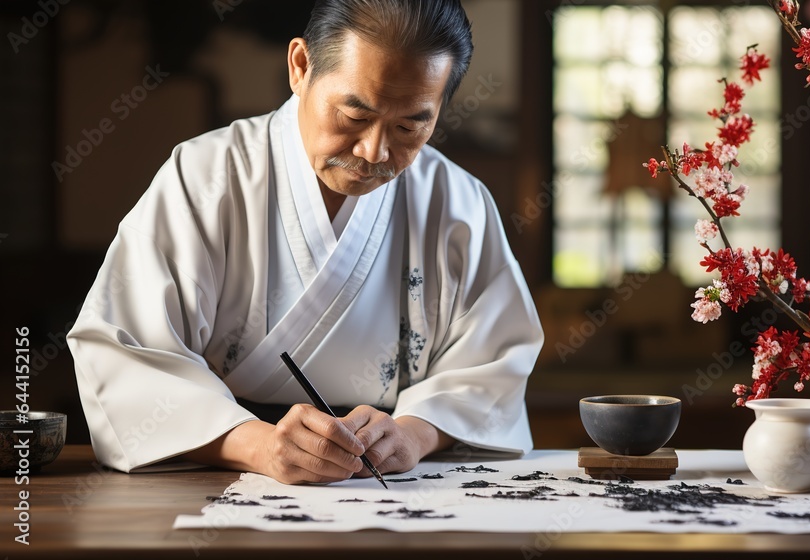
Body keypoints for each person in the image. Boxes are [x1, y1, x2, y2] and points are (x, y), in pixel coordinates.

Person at [67, 0, 543, 485]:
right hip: (217, 477)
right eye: (354, 115)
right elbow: (127, 353)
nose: (374, 152)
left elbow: (492, 366)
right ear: (300, 66)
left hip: (393, 483)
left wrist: (413, 436)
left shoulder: (456, 202)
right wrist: (258, 445)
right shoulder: (204, 178)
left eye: (408, 126)